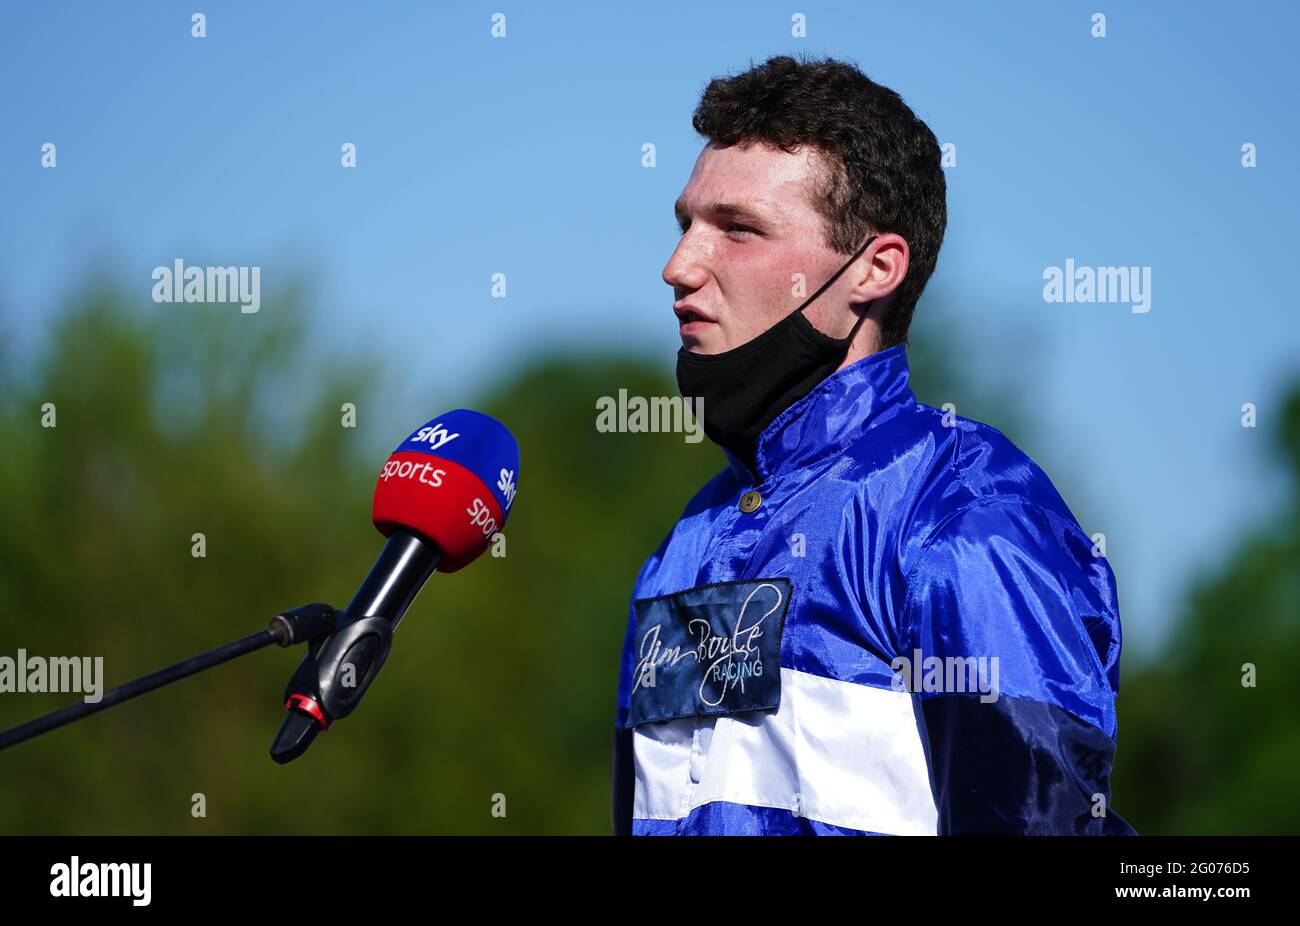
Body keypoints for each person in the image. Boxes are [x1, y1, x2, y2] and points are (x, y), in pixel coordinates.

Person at [611, 54, 1136, 836]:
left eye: (739, 231)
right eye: (686, 224)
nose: (679, 266)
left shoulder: (967, 518)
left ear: (875, 269)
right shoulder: (685, 544)